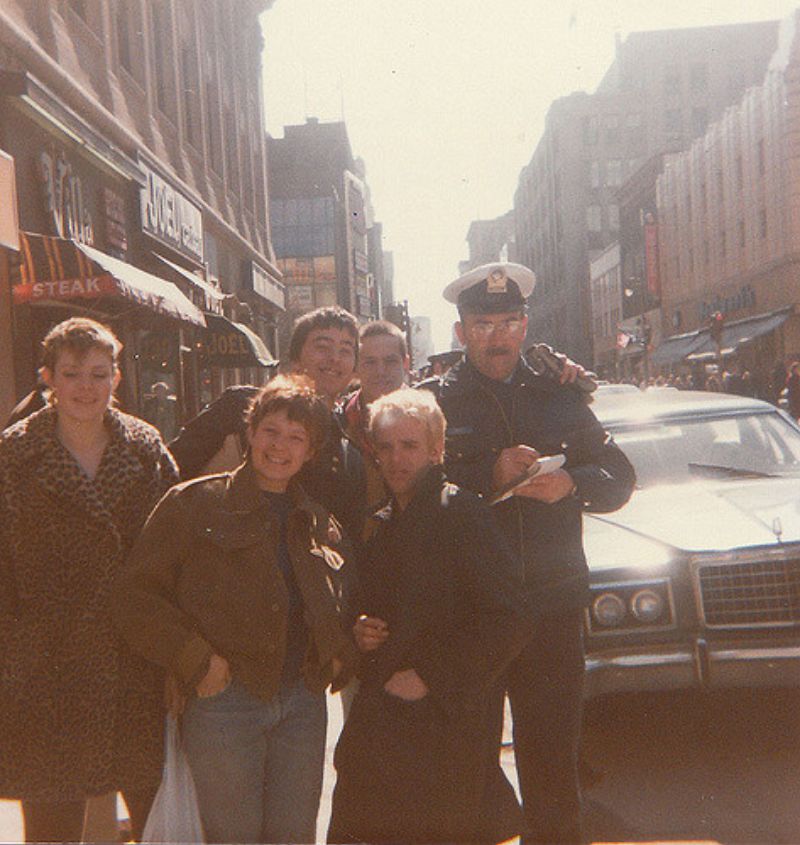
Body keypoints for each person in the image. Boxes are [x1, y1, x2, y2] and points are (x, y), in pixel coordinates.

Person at [423, 262, 636, 845]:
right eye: (483, 323)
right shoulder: (434, 401)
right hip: (469, 614)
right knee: (466, 772)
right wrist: (483, 475)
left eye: (510, 321)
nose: (498, 336)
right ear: (462, 330)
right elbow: (410, 492)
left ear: (525, 324)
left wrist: (573, 484)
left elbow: (618, 477)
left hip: (550, 610)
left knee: (553, 774)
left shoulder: (558, 395)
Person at [112, 375, 357, 844]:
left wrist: (338, 651)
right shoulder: (195, 504)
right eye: (271, 430)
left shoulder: (318, 520)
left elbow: (335, 597)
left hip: (302, 705)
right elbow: (134, 597)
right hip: (225, 704)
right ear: (250, 432)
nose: (280, 446)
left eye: (295, 437)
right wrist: (194, 659)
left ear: (310, 451)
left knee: (293, 837)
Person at [0, 317, 179, 843]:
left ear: (117, 379)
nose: (86, 387)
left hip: (136, 661)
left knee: (153, 817)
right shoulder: (13, 457)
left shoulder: (146, 449)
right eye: (72, 373)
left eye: (98, 374)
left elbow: (176, 555)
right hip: (45, 670)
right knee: (52, 825)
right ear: (47, 378)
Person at [328, 388, 527, 844]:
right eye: (386, 447)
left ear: (436, 450)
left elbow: (510, 617)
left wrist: (433, 675)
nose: (397, 459)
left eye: (410, 446)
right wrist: (360, 628)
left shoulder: (460, 512)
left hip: (444, 723)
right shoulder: (383, 520)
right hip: (387, 720)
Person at [169, 306, 367, 542]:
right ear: (295, 358)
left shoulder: (346, 454)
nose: (334, 358)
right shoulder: (238, 408)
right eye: (322, 346)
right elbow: (169, 473)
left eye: (345, 350)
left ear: (354, 367)